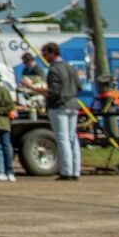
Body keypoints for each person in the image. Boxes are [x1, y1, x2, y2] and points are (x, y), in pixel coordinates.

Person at [42, 41, 81, 180]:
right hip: (73, 104)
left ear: (52, 53)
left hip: (59, 106)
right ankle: (75, 170)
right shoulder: (70, 67)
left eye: (45, 53)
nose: (44, 56)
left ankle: (66, 171)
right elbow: (79, 86)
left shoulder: (54, 69)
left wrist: (36, 89)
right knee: (72, 138)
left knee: (62, 138)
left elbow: (54, 92)